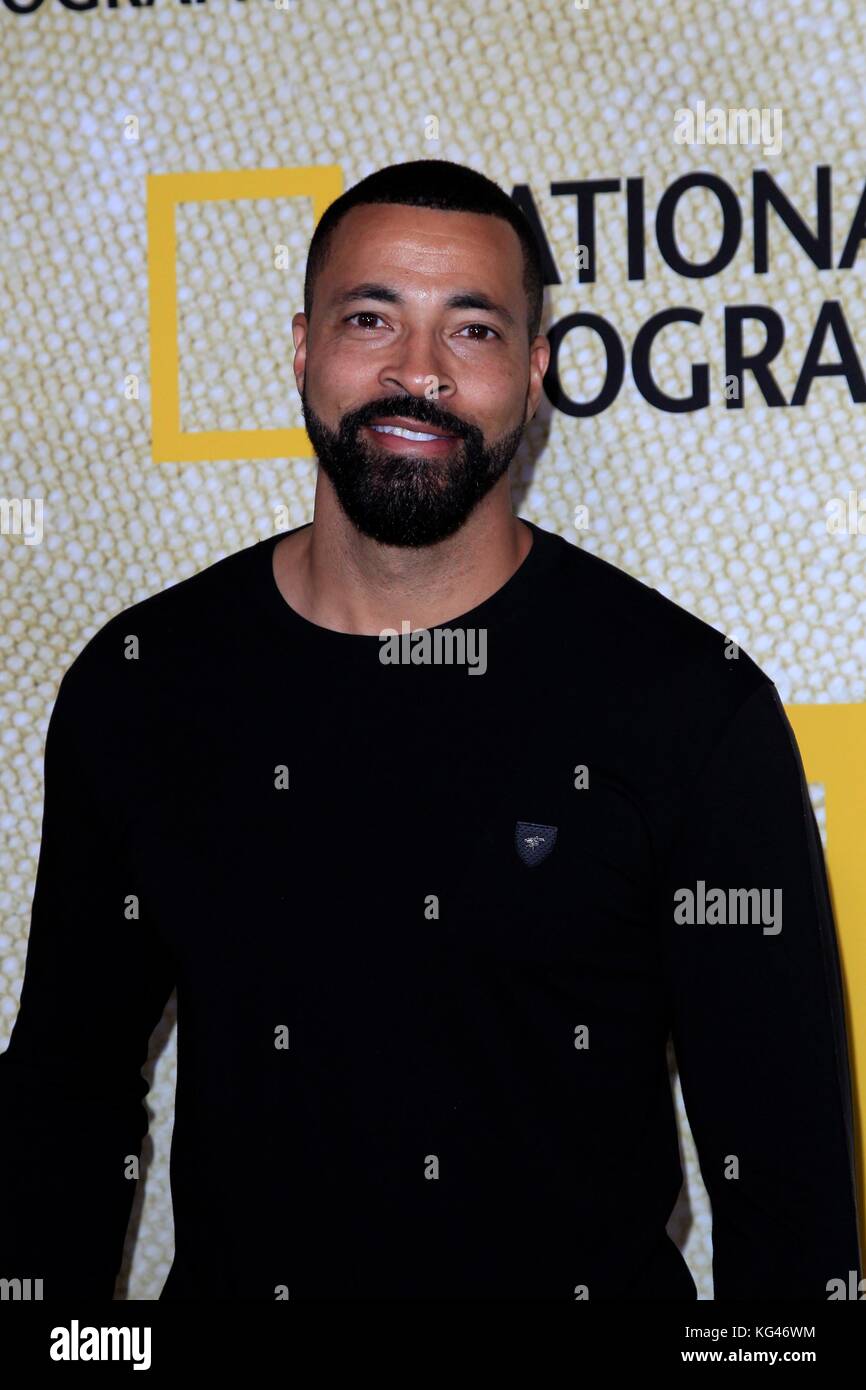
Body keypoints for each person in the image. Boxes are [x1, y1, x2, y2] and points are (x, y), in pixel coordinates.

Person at [0, 159, 860, 1301]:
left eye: (473, 330)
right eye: (372, 320)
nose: (417, 373)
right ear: (301, 348)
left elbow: (789, 1198)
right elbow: (67, 1097)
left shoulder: (686, 708)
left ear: (535, 374)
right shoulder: (144, 686)